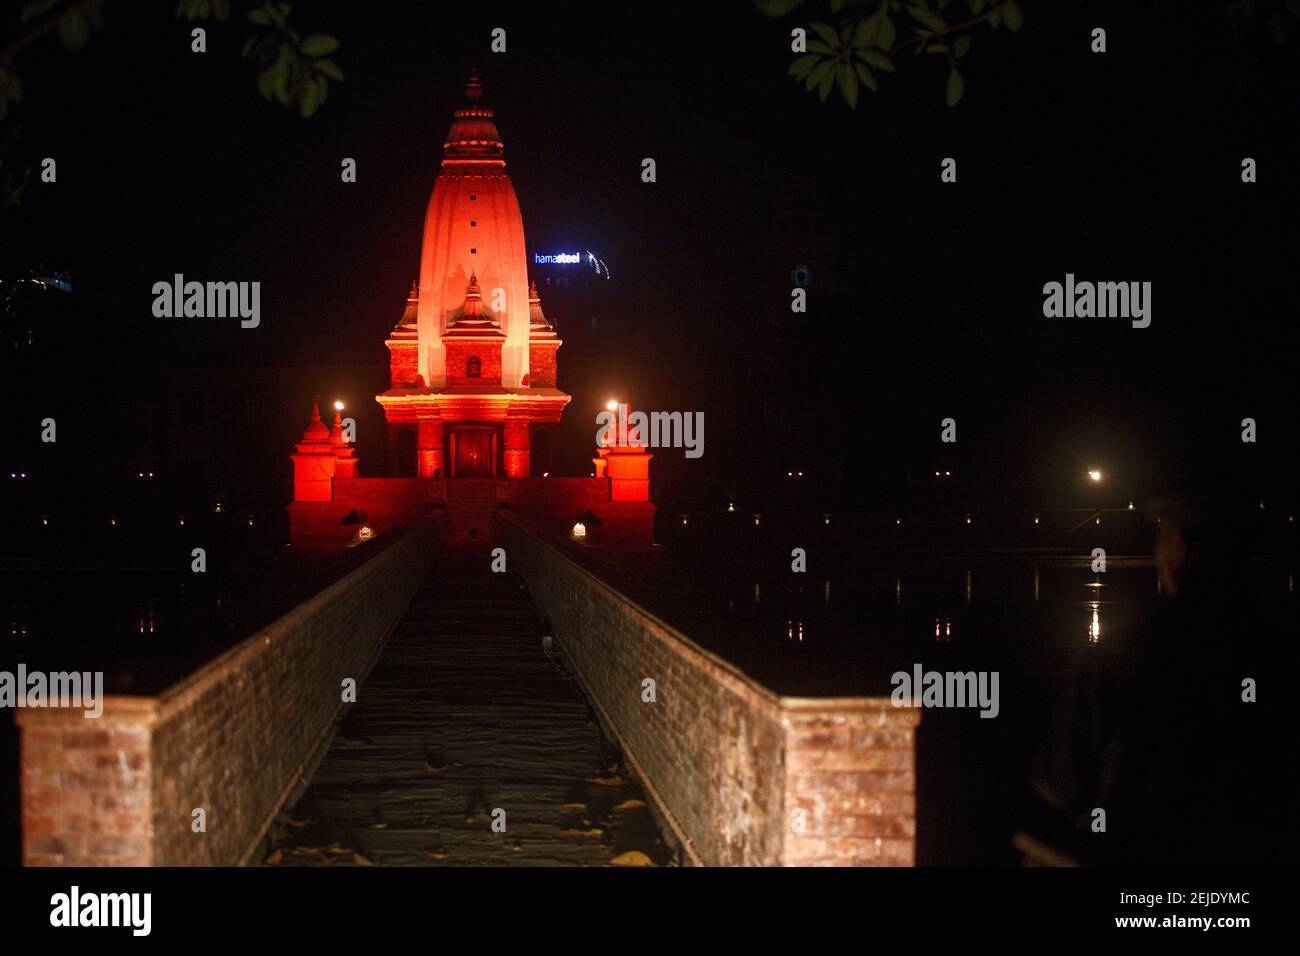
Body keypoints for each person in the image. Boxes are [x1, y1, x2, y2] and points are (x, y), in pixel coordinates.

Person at [1021, 487, 1294, 866]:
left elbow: (1063, 784)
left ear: (1177, 545)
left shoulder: (1119, 654)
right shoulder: (1278, 650)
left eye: (1163, 535)